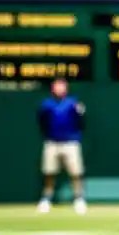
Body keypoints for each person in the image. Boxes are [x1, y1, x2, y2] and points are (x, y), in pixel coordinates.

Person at [36, 78, 87, 214]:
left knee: (76, 173)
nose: (59, 89)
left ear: (66, 88)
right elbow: (41, 122)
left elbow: (81, 122)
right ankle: (46, 199)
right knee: (49, 172)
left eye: (62, 86)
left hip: (71, 143)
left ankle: (79, 199)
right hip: (52, 143)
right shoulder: (46, 105)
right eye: (57, 86)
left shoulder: (73, 103)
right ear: (53, 89)